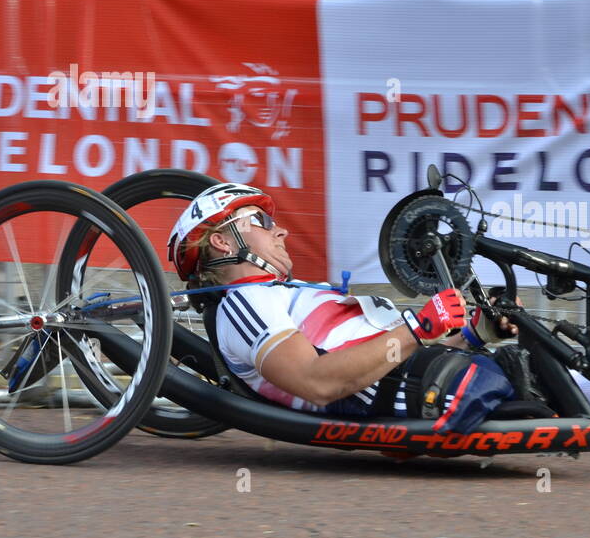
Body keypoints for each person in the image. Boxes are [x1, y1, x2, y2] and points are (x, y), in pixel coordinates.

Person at [167, 184, 524, 434]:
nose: (282, 232)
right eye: (262, 222)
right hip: (433, 389)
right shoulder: (245, 302)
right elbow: (314, 381)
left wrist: (475, 333)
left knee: (540, 347)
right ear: (221, 240)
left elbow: (393, 355)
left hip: (434, 376)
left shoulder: (286, 294)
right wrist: (418, 327)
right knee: (543, 375)